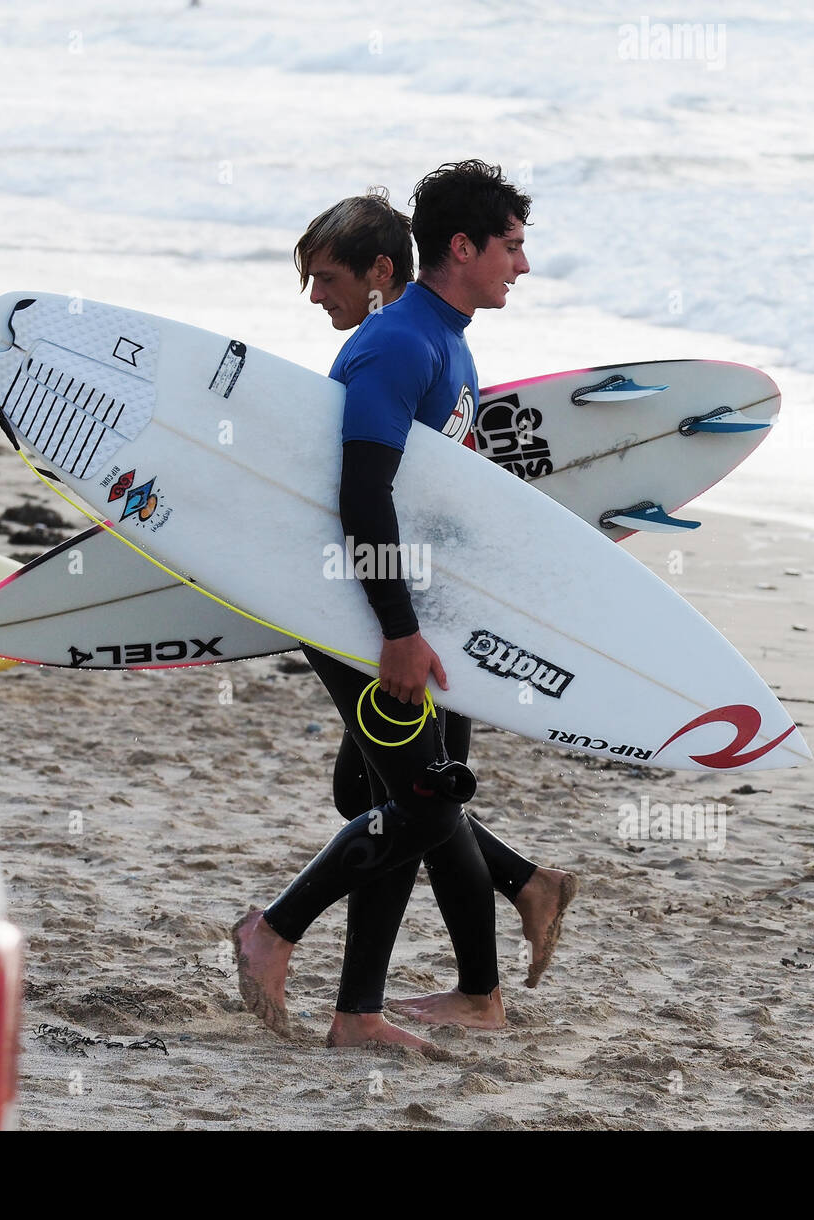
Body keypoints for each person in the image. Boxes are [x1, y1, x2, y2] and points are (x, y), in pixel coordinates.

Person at [236, 162, 563, 1053]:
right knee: (418, 803)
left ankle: (366, 1011)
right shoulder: (400, 345)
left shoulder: (448, 341)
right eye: (513, 247)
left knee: (387, 795)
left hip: (414, 608)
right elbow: (363, 495)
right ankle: (275, 932)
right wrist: (399, 633)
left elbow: (438, 498)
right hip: (365, 613)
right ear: (463, 247)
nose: (522, 268)